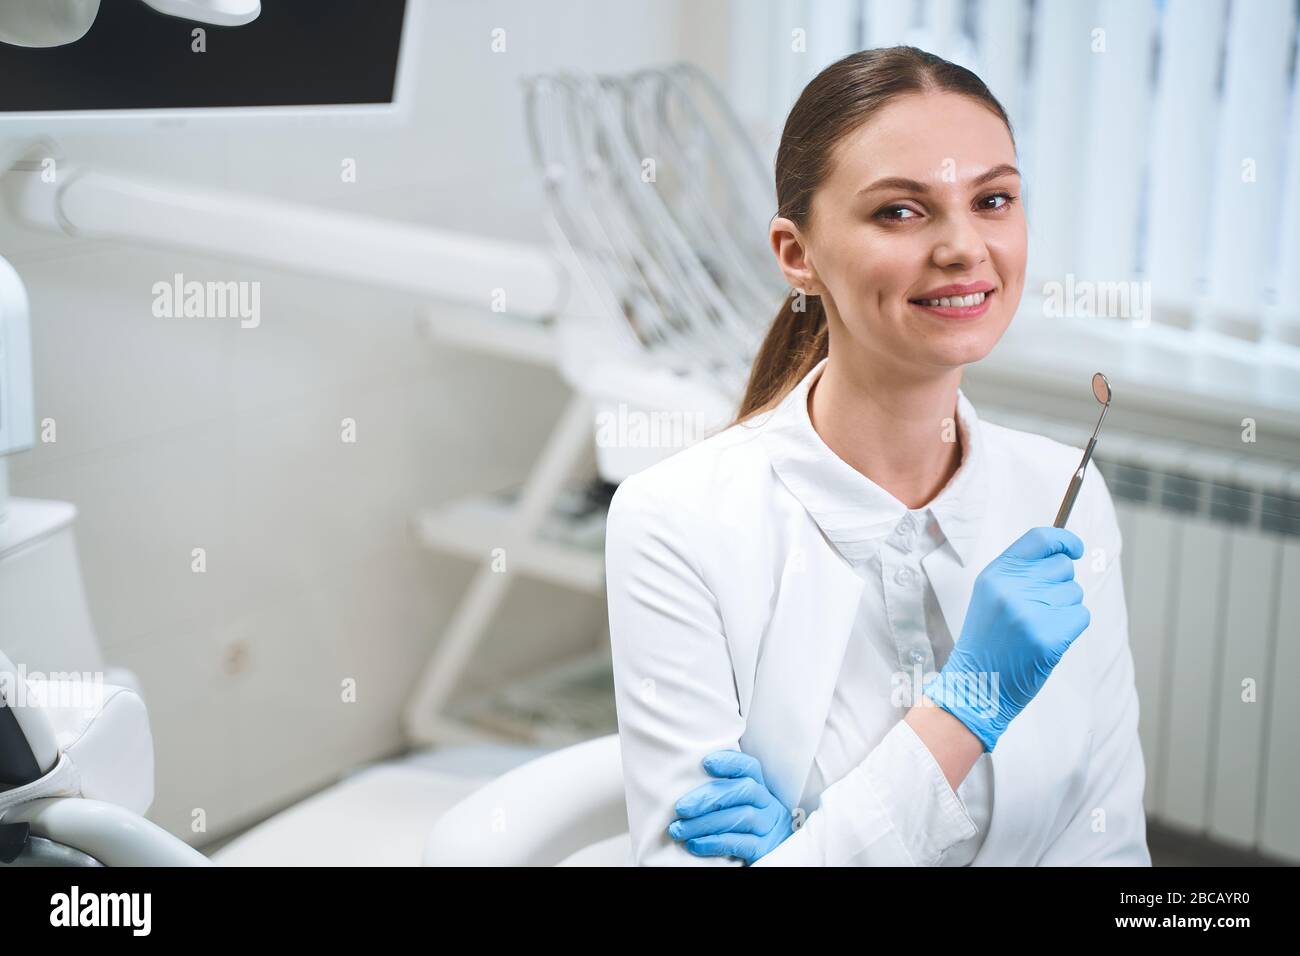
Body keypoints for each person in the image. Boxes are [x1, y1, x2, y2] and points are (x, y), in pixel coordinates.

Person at [603, 46, 1150, 866]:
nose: (965, 246)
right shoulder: (674, 525)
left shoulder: (1064, 496)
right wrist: (967, 707)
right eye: (901, 211)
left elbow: (1107, 846)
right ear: (797, 254)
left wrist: (804, 845)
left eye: (993, 199)